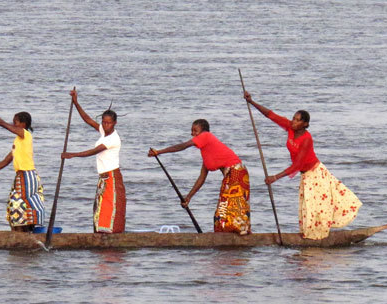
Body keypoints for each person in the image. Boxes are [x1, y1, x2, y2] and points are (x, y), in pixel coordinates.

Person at [243, 91, 362, 239]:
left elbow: (298, 165)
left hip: (315, 174)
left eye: (298, 120)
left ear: (305, 124)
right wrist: (252, 102)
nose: (294, 122)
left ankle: (316, 237)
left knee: (315, 206)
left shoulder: (306, 139)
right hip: (306, 175)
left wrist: (275, 177)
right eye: (293, 118)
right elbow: (271, 115)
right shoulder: (290, 128)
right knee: (306, 205)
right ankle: (310, 234)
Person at [148, 119, 251, 235]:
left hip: (236, 173)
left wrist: (160, 151)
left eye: (195, 131)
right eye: (191, 131)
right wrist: (188, 198)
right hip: (234, 174)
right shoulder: (207, 152)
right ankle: (230, 235)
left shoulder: (206, 136)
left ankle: (237, 233)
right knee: (223, 210)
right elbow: (201, 179)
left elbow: (183, 146)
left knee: (226, 208)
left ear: (203, 131)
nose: (192, 134)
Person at [0, 100, 46, 232]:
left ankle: (26, 233)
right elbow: (5, 162)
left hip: (27, 175)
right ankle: (22, 234)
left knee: (18, 205)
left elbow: (1, 123)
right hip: (21, 176)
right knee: (15, 206)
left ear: (23, 124)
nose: (13, 125)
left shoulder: (26, 135)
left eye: (15, 122)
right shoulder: (18, 142)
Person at [61, 89, 125, 233]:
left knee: (109, 206)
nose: (106, 125)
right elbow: (88, 119)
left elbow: (93, 151)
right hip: (103, 177)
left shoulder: (113, 139)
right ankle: (101, 233)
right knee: (100, 206)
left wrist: (73, 155)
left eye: (109, 123)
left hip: (112, 176)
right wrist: (76, 103)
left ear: (115, 123)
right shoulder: (104, 132)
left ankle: (110, 234)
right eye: (104, 122)